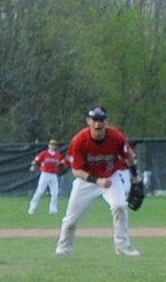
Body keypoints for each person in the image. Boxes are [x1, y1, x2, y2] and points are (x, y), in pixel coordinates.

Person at [55, 105, 142, 257]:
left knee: (120, 205)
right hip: (86, 180)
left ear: (106, 121)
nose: (98, 124)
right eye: (94, 120)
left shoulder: (116, 137)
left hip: (110, 177)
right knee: (71, 219)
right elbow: (76, 171)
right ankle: (63, 250)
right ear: (88, 121)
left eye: (101, 120)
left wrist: (135, 177)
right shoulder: (79, 140)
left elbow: (128, 156)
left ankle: (122, 246)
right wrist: (97, 181)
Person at [27, 138, 65, 215]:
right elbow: (36, 160)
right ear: (48, 146)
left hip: (53, 175)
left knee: (55, 193)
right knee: (40, 191)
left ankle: (53, 210)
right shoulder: (44, 153)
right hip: (45, 174)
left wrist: (62, 165)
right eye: (51, 144)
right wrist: (33, 166)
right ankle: (32, 208)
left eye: (54, 145)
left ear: (55, 147)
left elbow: (62, 164)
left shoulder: (58, 155)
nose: (52, 146)